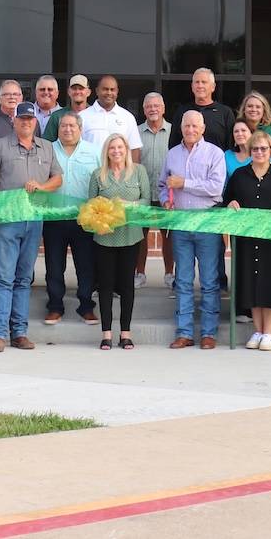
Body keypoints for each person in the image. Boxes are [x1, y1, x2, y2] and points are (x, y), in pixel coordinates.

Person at [0, 101, 61, 352]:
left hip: (34, 220)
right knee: (4, 276)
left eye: (30, 119)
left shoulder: (47, 148)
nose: (26, 123)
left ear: (35, 122)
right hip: (8, 220)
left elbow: (57, 178)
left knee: (24, 278)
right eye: (22, 119)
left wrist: (42, 186)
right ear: (14, 121)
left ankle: (20, 332)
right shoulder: (1, 146)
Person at [223, 131, 271, 350]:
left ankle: (269, 333)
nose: (259, 152)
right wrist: (231, 204)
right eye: (255, 149)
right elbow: (227, 199)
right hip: (247, 239)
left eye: (263, 149)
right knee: (251, 283)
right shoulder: (239, 175)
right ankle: (257, 331)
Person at [160, 109, 226, 349]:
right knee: (183, 280)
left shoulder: (214, 154)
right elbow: (162, 184)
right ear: (181, 127)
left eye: (195, 126)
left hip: (207, 222)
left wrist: (184, 183)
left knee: (209, 281)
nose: (190, 130)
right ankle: (184, 332)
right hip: (180, 223)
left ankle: (209, 333)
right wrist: (165, 198)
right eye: (186, 126)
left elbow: (216, 189)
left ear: (203, 128)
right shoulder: (172, 154)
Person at [88, 133, 152, 350]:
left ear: (127, 150)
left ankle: (125, 333)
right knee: (105, 286)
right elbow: (90, 206)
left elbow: (146, 200)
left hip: (130, 235)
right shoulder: (98, 175)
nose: (116, 151)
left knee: (127, 286)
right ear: (107, 151)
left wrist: (129, 205)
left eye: (120, 148)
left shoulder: (139, 171)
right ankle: (106, 333)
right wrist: (101, 217)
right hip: (104, 237)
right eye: (112, 148)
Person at [43, 111, 100, 326]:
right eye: (63, 126)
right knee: (54, 265)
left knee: (85, 265)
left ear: (80, 129)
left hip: (84, 219)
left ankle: (86, 306)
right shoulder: (48, 150)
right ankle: (55, 306)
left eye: (72, 126)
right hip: (54, 218)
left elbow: (101, 181)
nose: (67, 129)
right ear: (58, 129)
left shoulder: (94, 152)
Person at [135, 92, 172, 289]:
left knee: (169, 235)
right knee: (140, 235)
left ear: (163, 108)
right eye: (149, 106)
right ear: (144, 110)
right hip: (143, 193)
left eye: (157, 105)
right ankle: (140, 273)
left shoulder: (174, 132)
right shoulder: (136, 132)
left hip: (167, 194)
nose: (153, 109)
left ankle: (169, 274)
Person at [78, 74, 143, 157]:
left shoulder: (128, 117)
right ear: (97, 91)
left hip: (120, 169)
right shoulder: (83, 116)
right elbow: (76, 147)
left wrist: (133, 170)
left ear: (117, 92)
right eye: (105, 89)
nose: (109, 93)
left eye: (112, 90)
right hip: (90, 169)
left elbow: (134, 149)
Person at [183, 68, 232, 150]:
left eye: (204, 82)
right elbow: (174, 144)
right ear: (192, 86)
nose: (200, 86)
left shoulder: (225, 113)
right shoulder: (183, 112)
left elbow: (230, 147)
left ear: (213, 87)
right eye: (197, 82)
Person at [45, 74, 92, 140]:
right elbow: (47, 144)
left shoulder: (96, 115)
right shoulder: (57, 116)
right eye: (74, 88)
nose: (77, 91)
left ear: (88, 92)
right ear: (69, 91)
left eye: (81, 89)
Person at [0, 79, 25, 147]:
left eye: (15, 94)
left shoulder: (30, 120)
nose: (12, 97)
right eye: (7, 94)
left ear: (21, 98)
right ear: (0, 99)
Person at [223, 117, 257, 182]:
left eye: (243, 130)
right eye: (236, 131)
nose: (239, 134)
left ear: (252, 133)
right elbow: (224, 183)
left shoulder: (262, 152)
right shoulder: (227, 155)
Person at [32, 74, 63, 140]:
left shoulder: (65, 115)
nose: (46, 92)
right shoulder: (26, 113)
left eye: (50, 89)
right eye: (42, 89)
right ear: (36, 92)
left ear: (57, 93)